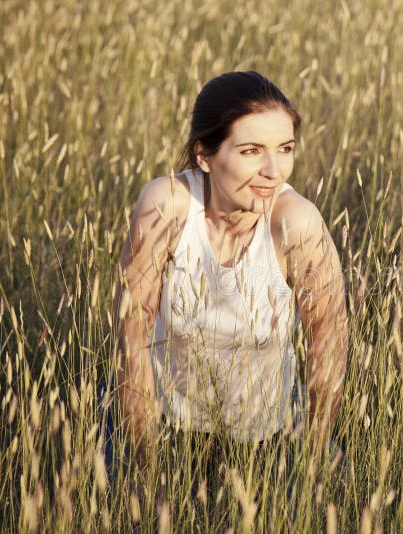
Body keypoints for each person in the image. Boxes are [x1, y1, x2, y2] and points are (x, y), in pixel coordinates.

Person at [113, 71, 348, 482]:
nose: (274, 170)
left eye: (285, 149)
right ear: (204, 155)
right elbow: (131, 340)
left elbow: (329, 343)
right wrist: (148, 472)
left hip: (269, 431)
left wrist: (312, 459)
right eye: (251, 151)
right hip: (163, 421)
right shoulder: (167, 206)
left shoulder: (297, 223)